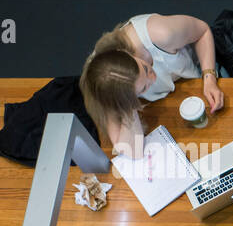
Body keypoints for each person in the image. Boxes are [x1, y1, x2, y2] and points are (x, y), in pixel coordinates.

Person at [79, 13, 224, 159]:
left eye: (145, 68)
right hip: (163, 108)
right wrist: (128, 107)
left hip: (193, 79)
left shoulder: (162, 33)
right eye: (142, 89)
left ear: (125, 53)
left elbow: (203, 31)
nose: (153, 78)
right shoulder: (104, 89)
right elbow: (132, 152)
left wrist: (209, 78)